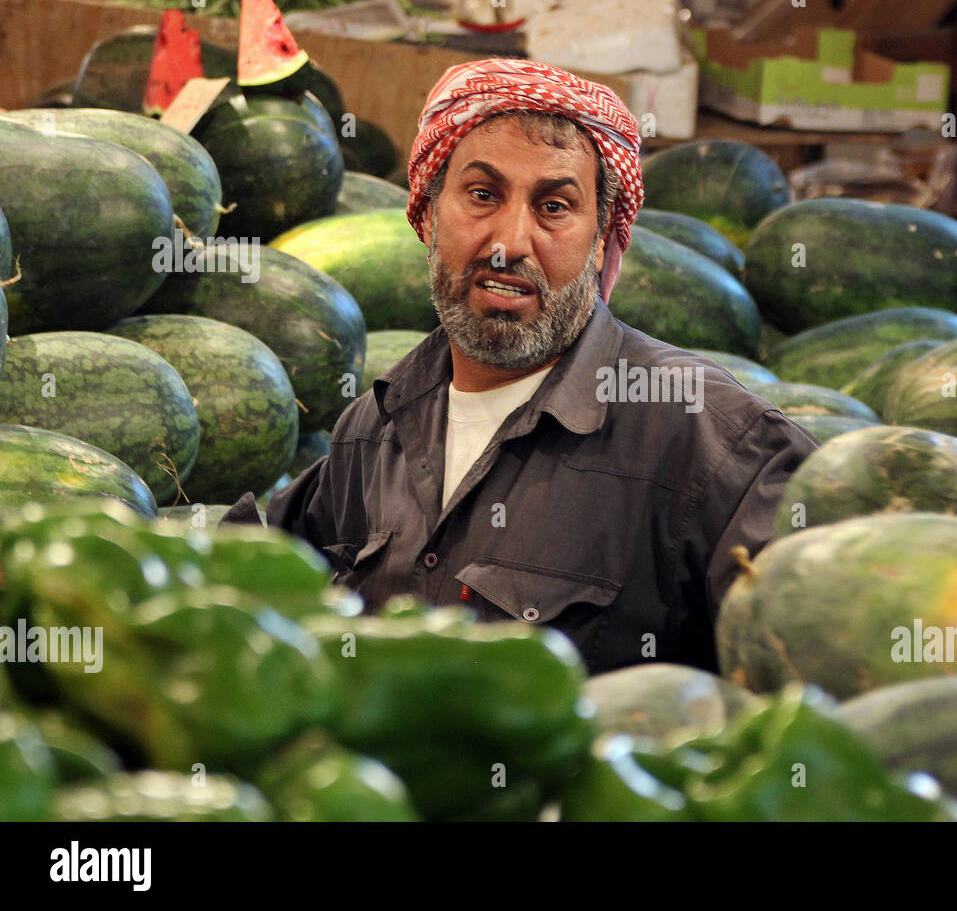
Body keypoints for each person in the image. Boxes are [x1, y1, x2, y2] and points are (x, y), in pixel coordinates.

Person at [223, 58, 818, 675]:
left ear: (601, 239)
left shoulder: (715, 444)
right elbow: (248, 572)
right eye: (482, 195)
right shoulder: (376, 427)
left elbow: (826, 677)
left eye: (554, 206)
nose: (510, 242)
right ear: (427, 214)